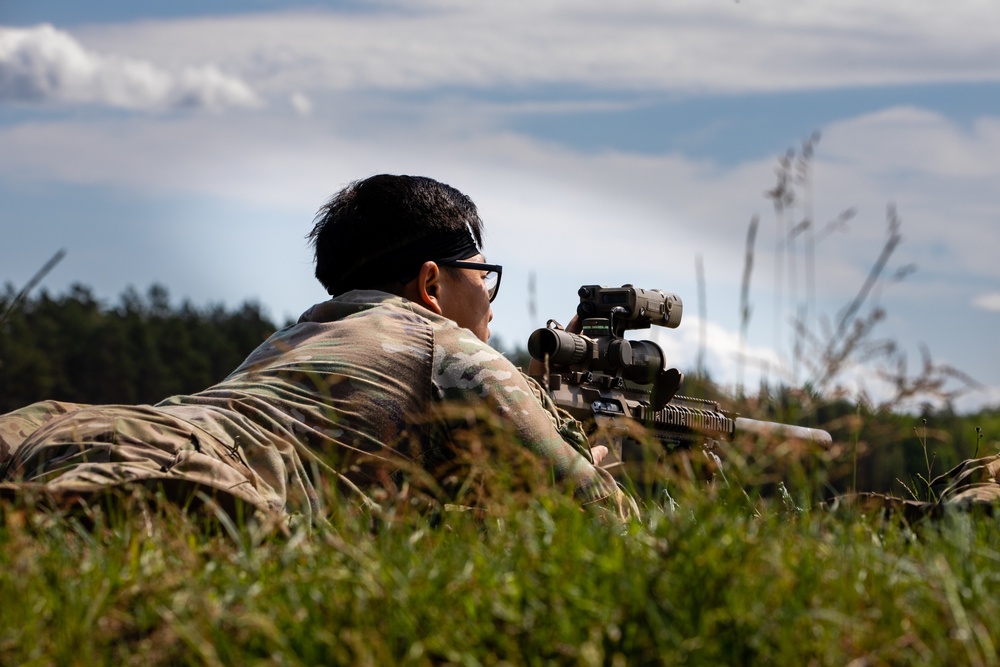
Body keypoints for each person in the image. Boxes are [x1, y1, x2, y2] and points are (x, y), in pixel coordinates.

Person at [0, 174, 635, 522]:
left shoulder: (297, 337)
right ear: (431, 284)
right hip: (180, 479)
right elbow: (603, 521)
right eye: (482, 275)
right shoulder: (446, 345)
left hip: (66, 430)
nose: (490, 302)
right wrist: (593, 461)